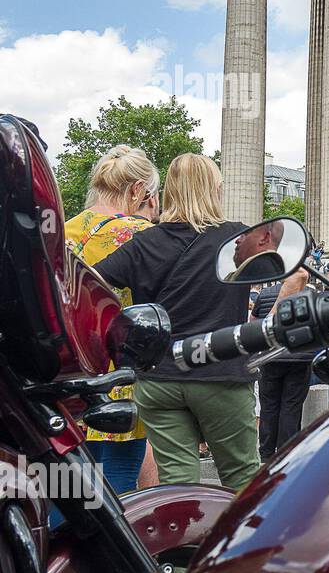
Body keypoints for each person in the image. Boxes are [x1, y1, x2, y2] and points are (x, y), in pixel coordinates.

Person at [96, 154, 260, 490]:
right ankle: (241, 542)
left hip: (158, 378)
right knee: (242, 479)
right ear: (214, 190)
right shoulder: (239, 240)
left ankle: (182, 541)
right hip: (220, 371)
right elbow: (292, 269)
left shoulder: (142, 243)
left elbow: (89, 283)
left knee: (177, 485)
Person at [64, 145, 160, 494]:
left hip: (69, 374)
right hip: (120, 375)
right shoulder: (141, 233)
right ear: (137, 190)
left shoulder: (66, 228)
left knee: (70, 484)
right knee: (116, 481)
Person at [252, 275, 313, 461]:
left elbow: (253, 321)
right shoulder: (310, 294)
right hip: (299, 357)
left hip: (270, 357)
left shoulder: (265, 293)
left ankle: (266, 452)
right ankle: (287, 452)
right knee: (291, 406)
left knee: (269, 405)